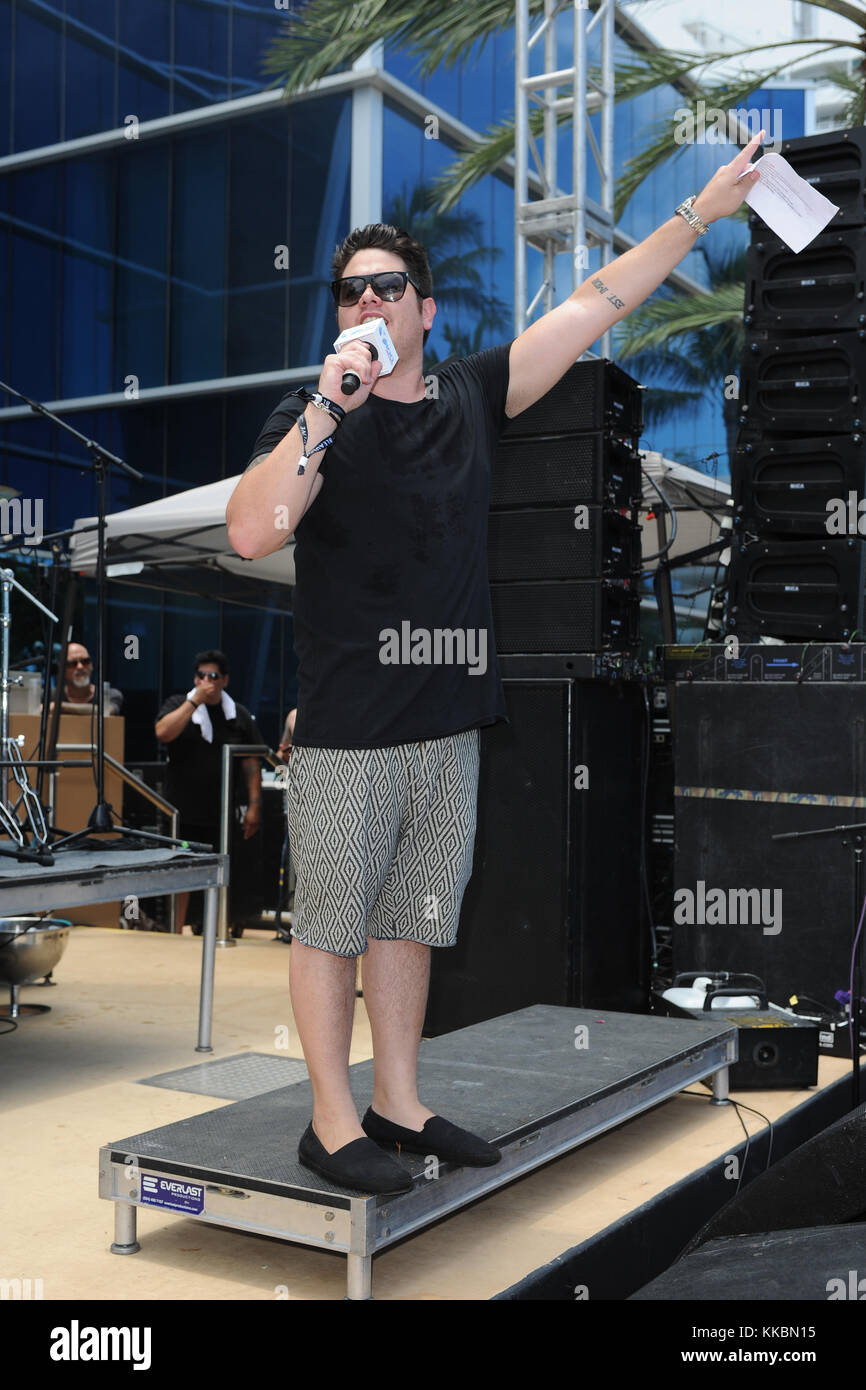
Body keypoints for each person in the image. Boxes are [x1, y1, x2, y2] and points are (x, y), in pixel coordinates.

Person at [226, 132, 764, 1195]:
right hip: (348, 724)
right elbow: (252, 530)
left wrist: (699, 214)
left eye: (388, 289)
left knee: (412, 921)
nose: (366, 305)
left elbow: (598, 300)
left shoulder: (474, 393)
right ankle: (329, 1119)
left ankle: (399, 1100)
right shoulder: (311, 418)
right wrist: (326, 407)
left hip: (448, 719)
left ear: (426, 311)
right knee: (331, 923)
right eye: (348, 293)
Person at [154, 650, 263, 933]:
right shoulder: (180, 703)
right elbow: (163, 733)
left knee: (219, 873)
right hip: (182, 810)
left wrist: (254, 804)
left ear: (225, 680)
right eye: (201, 676)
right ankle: (174, 933)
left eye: (212, 676)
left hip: (221, 810)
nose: (206, 681)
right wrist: (194, 701)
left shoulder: (237, 715)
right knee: (181, 872)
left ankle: (217, 931)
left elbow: (252, 761)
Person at [50, 641, 124, 715]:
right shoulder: (50, 696)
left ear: (92, 666)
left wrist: (60, 706)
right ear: (61, 669)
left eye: (85, 661)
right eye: (73, 663)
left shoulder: (109, 695)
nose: (80, 667)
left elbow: (106, 711)